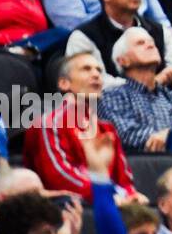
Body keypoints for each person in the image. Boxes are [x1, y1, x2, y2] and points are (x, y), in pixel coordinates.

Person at [23, 51, 136, 201]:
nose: (96, 74)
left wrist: (131, 195)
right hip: (70, 211)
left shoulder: (107, 128)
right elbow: (59, 178)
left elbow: (124, 179)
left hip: (111, 201)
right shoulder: (48, 124)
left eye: (99, 70)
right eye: (86, 69)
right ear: (64, 83)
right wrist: (108, 194)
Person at [97, 27, 172, 170]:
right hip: (142, 169)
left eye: (151, 42)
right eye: (140, 43)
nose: (151, 45)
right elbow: (128, 135)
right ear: (123, 61)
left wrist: (169, 135)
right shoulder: (112, 97)